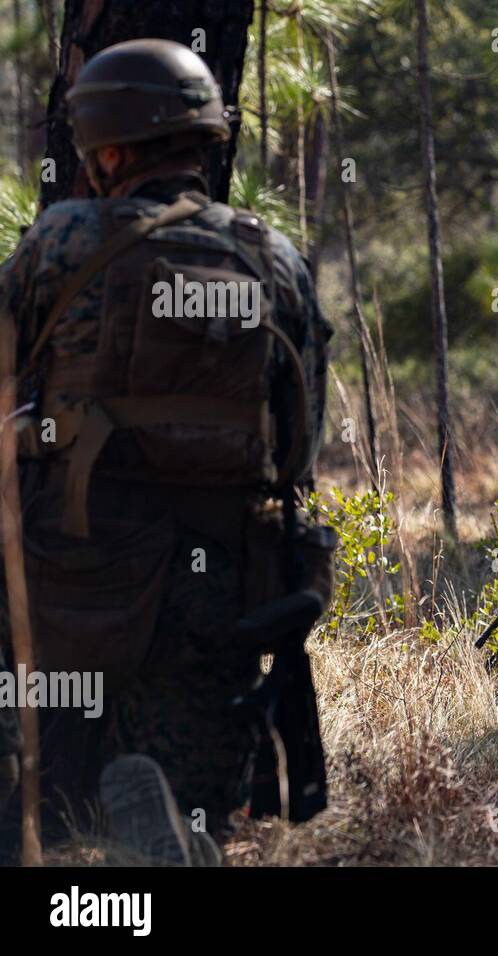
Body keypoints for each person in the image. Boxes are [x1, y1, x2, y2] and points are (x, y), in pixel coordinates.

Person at [0, 39, 333, 864]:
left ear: (108, 151)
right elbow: (299, 447)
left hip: (68, 573)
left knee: (38, 797)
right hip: (219, 588)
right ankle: (174, 835)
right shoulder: (272, 257)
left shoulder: (61, 239)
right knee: (193, 801)